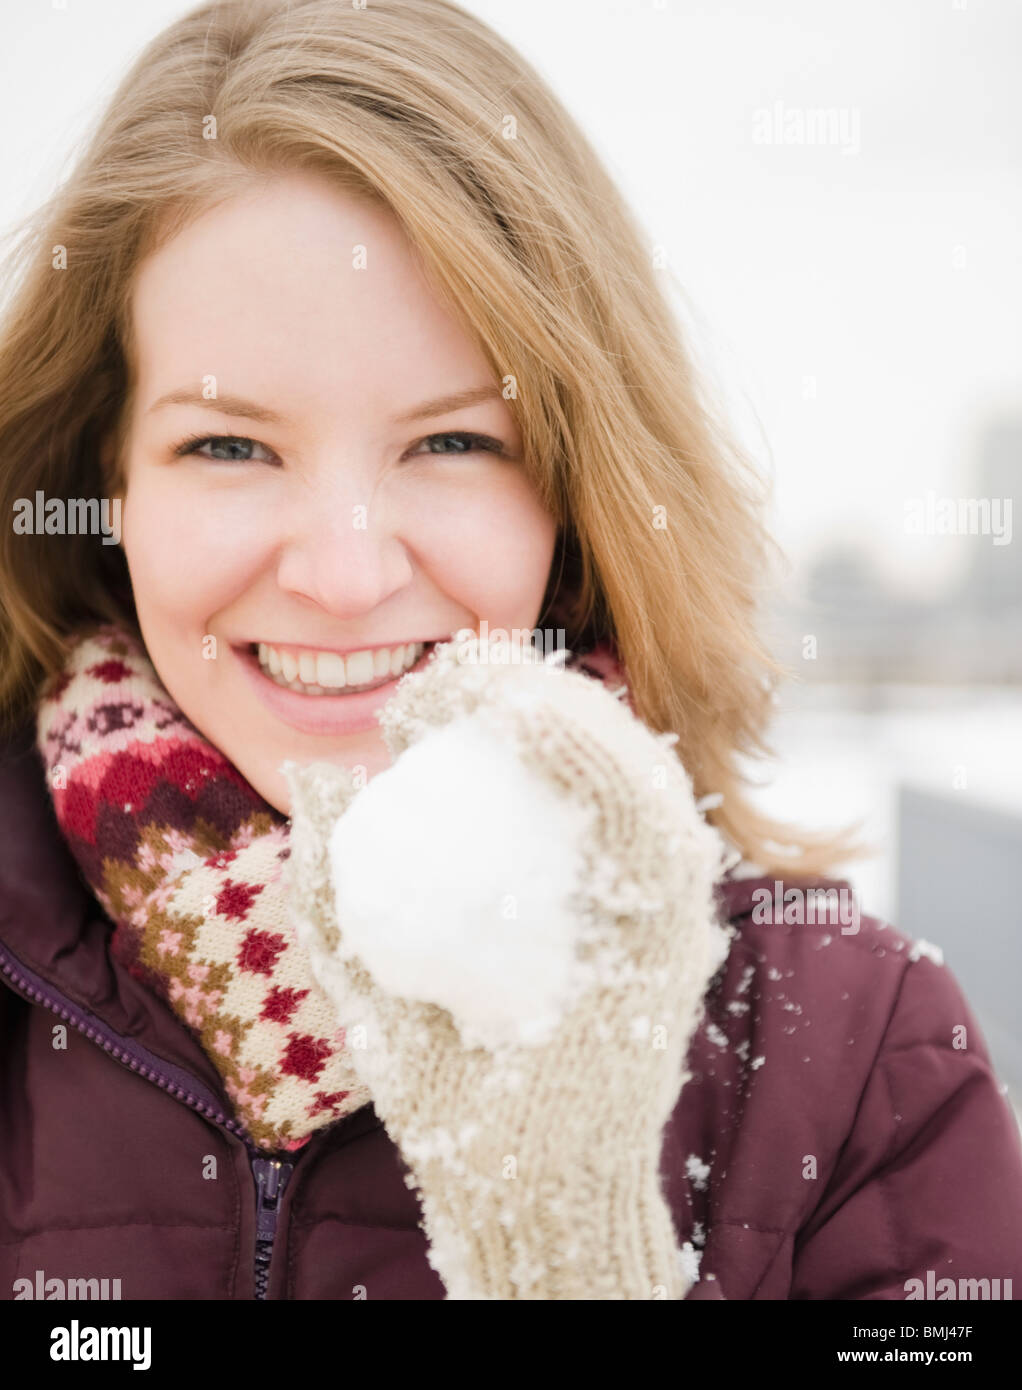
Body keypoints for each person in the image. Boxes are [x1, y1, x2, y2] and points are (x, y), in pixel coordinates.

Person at [1, 0, 1019, 1301]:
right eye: (230, 446)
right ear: (109, 478)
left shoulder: (864, 1060)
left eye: (450, 443)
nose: (345, 571)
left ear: (573, 487)